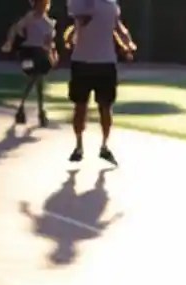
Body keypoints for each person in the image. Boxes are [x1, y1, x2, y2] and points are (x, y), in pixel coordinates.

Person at [64, 0, 136, 165]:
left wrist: (127, 45)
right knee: (80, 106)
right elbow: (79, 22)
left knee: (106, 107)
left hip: (106, 62)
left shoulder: (110, 5)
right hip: (82, 61)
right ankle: (79, 146)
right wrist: (70, 37)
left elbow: (117, 27)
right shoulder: (78, 2)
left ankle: (104, 146)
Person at [0, 0, 58, 129]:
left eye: (43, 5)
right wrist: (9, 42)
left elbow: (48, 43)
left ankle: (28, 110)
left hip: (40, 53)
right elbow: (15, 28)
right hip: (28, 52)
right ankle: (37, 111)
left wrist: (52, 55)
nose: (41, 7)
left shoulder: (48, 23)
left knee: (38, 82)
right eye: (39, 5)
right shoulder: (30, 18)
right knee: (34, 78)